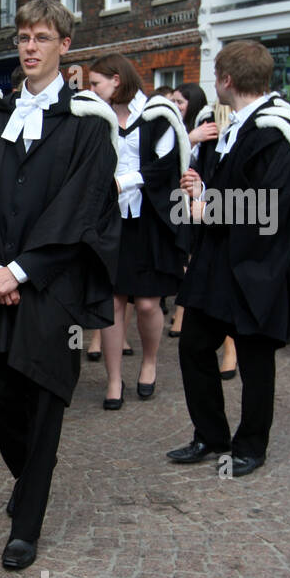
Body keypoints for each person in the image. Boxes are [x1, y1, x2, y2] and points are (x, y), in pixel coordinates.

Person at [0, 0, 120, 571]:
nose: (30, 46)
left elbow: (81, 208)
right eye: (22, 37)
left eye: (42, 37)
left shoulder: (88, 125)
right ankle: (27, 479)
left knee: (43, 402)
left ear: (66, 46)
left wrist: (21, 270)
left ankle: (27, 523)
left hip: (50, 288)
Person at [171, 42, 290, 477]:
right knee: (193, 346)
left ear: (227, 80)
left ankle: (251, 445)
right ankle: (210, 435)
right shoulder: (236, 127)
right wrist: (202, 189)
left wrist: (207, 209)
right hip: (218, 266)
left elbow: (269, 207)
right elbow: (238, 191)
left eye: (216, 76)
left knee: (255, 361)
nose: (215, 83)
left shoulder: (273, 130)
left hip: (257, 269)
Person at [88, 54, 188, 408]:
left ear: (117, 80)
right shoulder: (95, 120)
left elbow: (163, 169)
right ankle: (114, 380)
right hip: (111, 222)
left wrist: (124, 181)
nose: (91, 89)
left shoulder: (158, 116)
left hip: (150, 222)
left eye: (96, 83)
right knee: (113, 302)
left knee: (147, 303)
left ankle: (149, 362)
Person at [166, 82, 215, 341]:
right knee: (183, 259)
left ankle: (184, 313)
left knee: (193, 259)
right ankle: (181, 310)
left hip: (199, 204)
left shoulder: (207, 130)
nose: (175, 106)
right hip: (177, 202)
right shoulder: (181, 131)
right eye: (172, 101)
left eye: (180, 102)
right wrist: (189, 137)